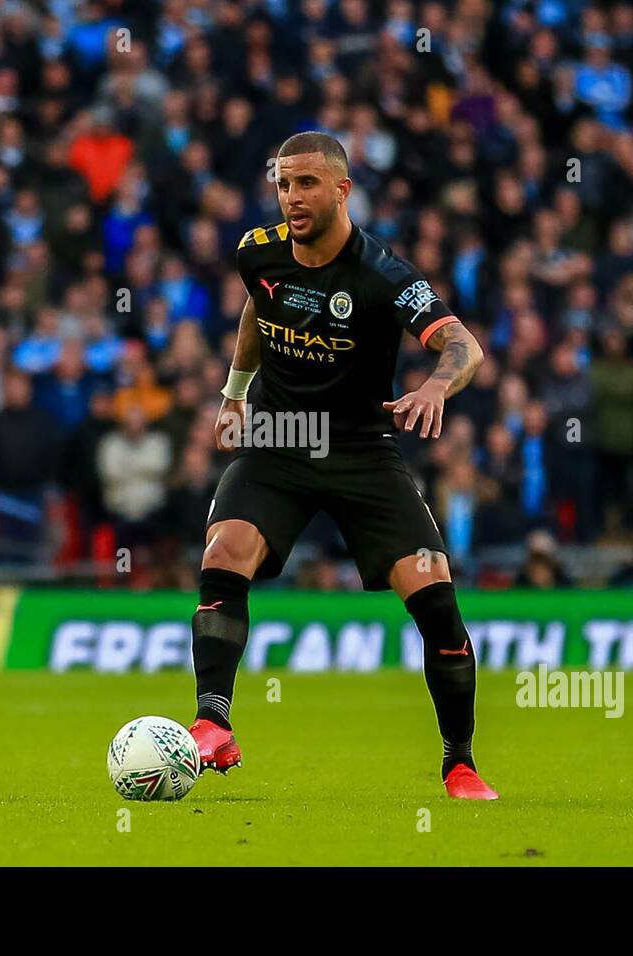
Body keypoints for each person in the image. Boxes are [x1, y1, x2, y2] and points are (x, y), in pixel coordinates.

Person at [186, 132, 497, 800]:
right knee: (224, 550)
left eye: (305, 184)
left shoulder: (385, 275)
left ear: (341, 188)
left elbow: (462, 345)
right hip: (278, 438)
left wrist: (437, 386)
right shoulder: (257, 252)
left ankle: (460, 761)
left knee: (434, 593)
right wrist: (235, 394)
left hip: (360, 447)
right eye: (282, 184)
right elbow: (256, 305)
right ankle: (212, 721)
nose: (291, 198)